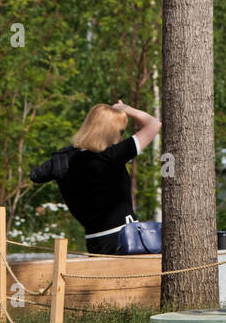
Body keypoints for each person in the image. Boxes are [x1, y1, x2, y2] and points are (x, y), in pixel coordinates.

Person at [30, 101, 161, 254]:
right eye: (120, 132)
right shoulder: (111, 156)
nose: (120, 137)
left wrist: (69, 152)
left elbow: (36, 175)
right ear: (109, 131)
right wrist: (127, 109)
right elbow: (154, 124)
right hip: (124, 240)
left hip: (94, 243)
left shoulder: (65, 160)